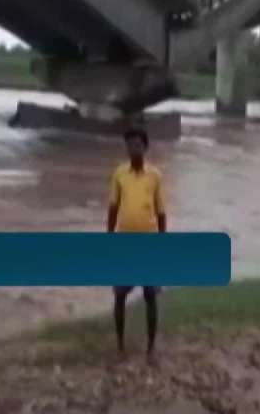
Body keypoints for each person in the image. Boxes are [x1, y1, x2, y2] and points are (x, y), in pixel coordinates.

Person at [106, 127, 167, 364]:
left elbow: (161, 212)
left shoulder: (155, 176)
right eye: (130, 145)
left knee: (150, 294)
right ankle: (119, 346)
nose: (134, 149)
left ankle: (151, 349)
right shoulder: (119, 174)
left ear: (145, 147)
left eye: (138, 145)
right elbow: (112, 207)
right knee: (120, 294)